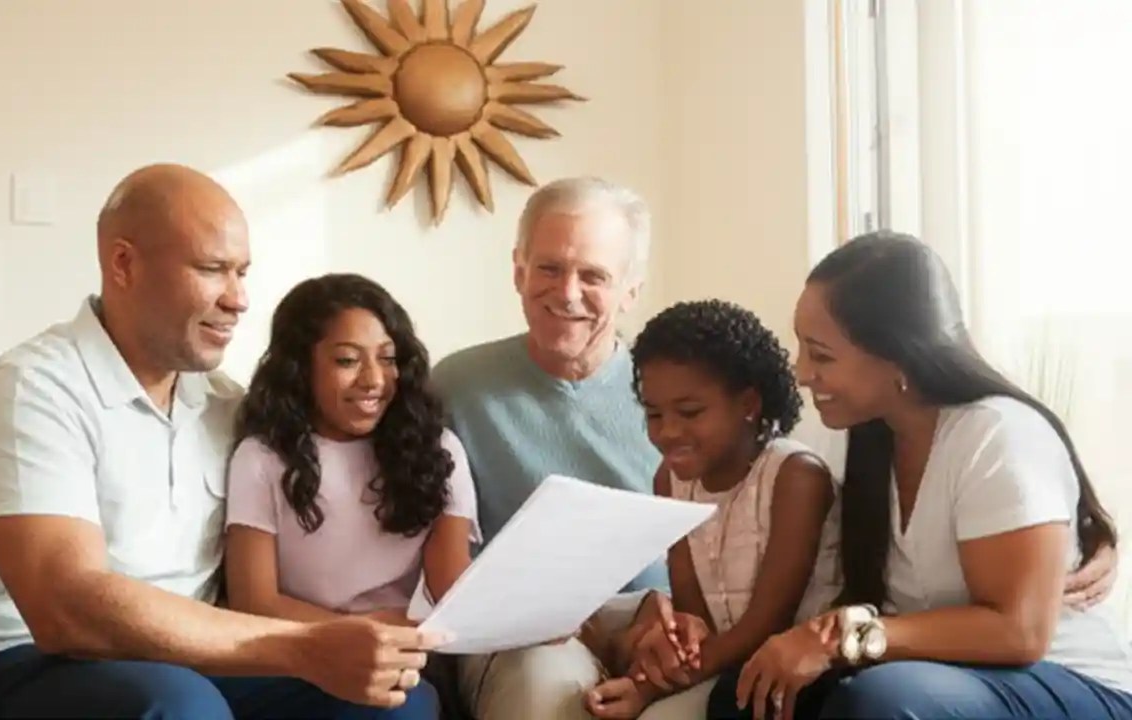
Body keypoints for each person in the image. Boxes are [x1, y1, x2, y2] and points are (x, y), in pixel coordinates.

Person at [0, 164, 442, 720]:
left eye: (242, 273)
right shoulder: (32, 390)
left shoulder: (226, 404)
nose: (239, 299)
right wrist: (301, 647)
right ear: (123, 264)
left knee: (397, 701)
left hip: (180, 661)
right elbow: (66, 610)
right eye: (212, 269)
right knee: (178, 706)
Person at [711, 231, 1132, 719]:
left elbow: (1019, 632)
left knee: (884, 699)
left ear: (900, 357)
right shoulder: (859, 432)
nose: (803, 373)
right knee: (747, 696)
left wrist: (841, 638)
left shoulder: (997, 435)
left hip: (1066, 680)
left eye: (821, 355)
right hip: (939, 672)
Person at [431, 177, 663, 720]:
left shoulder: (673, 391)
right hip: (516, 628)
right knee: (546, 689)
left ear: (631, 291)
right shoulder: (455, 386)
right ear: (519, 271)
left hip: (652, 618)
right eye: (550, 268)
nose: (567, 293)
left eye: (594, 276)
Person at [223, 273, 481, 712]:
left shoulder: (437, 450)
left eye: (387, 359)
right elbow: (255, 601)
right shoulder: (261, 457)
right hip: (294, 652)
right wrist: (360, 634)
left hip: (397, 654)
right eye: (347, 360)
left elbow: (450, 584)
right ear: (301, 367)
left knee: (408, 703)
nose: (374, 380)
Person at [584, 299, 842, 720]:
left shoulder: (795, 477)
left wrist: (648, 687)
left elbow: (766, 624)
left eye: (690, 412)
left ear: (748, 405)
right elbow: (695, 617)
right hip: (725, 665)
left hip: (799, 673)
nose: (668, 431)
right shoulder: (670, 481)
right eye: (653, 413)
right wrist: (673, 652)